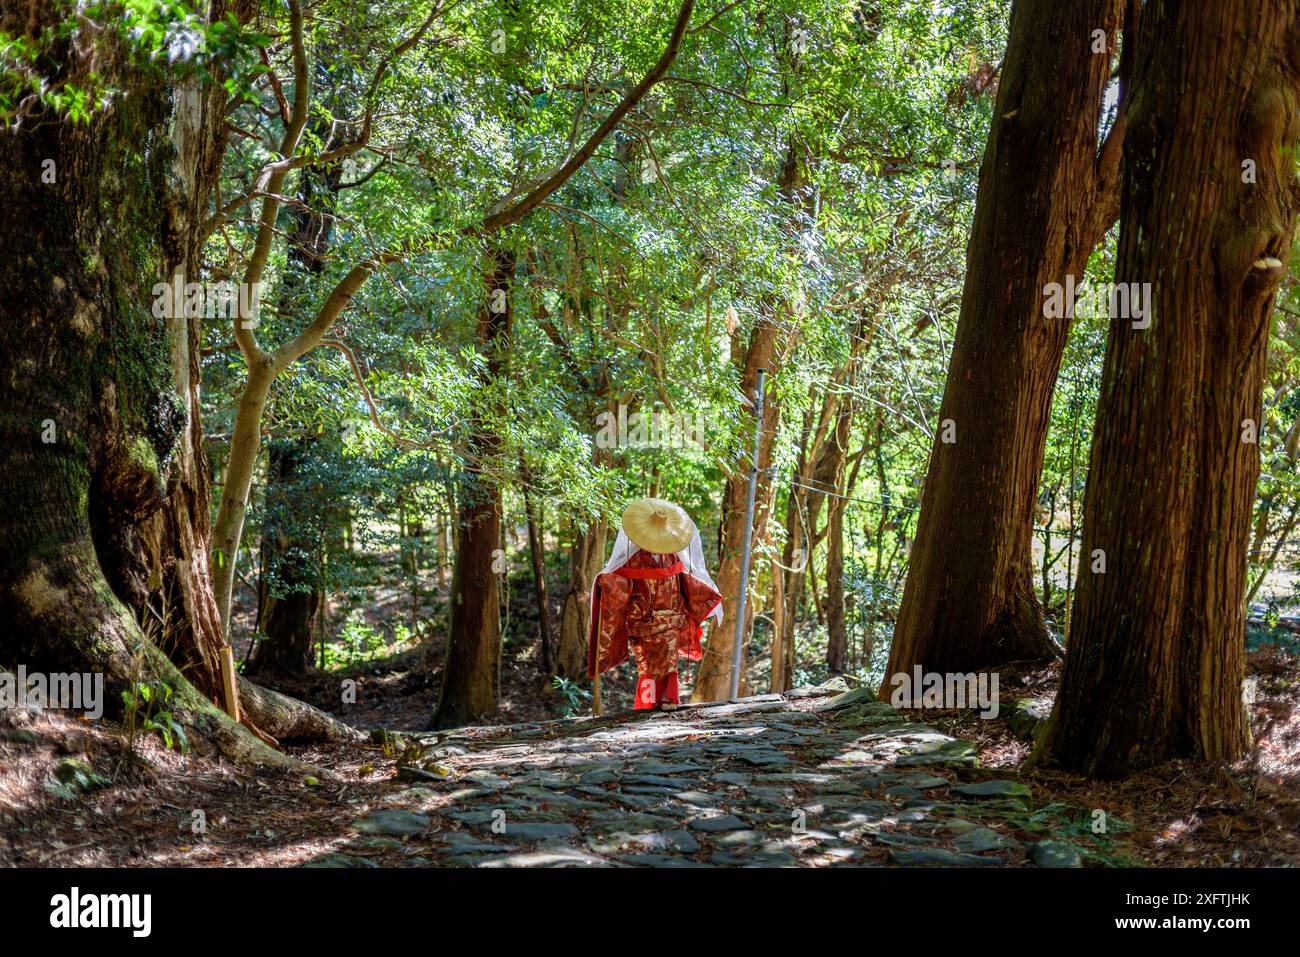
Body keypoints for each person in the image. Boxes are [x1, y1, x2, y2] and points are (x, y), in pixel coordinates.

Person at [588, 498, 723, 711]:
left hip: (671, 619)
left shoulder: (672, 556)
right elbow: (619, 582)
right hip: (644, 621)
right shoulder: (633, 559)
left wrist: (707, 595)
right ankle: (648, 703)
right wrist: (607, 581)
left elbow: (686, 582)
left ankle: (668, 699)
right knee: (648, 664)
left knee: (669, 658)